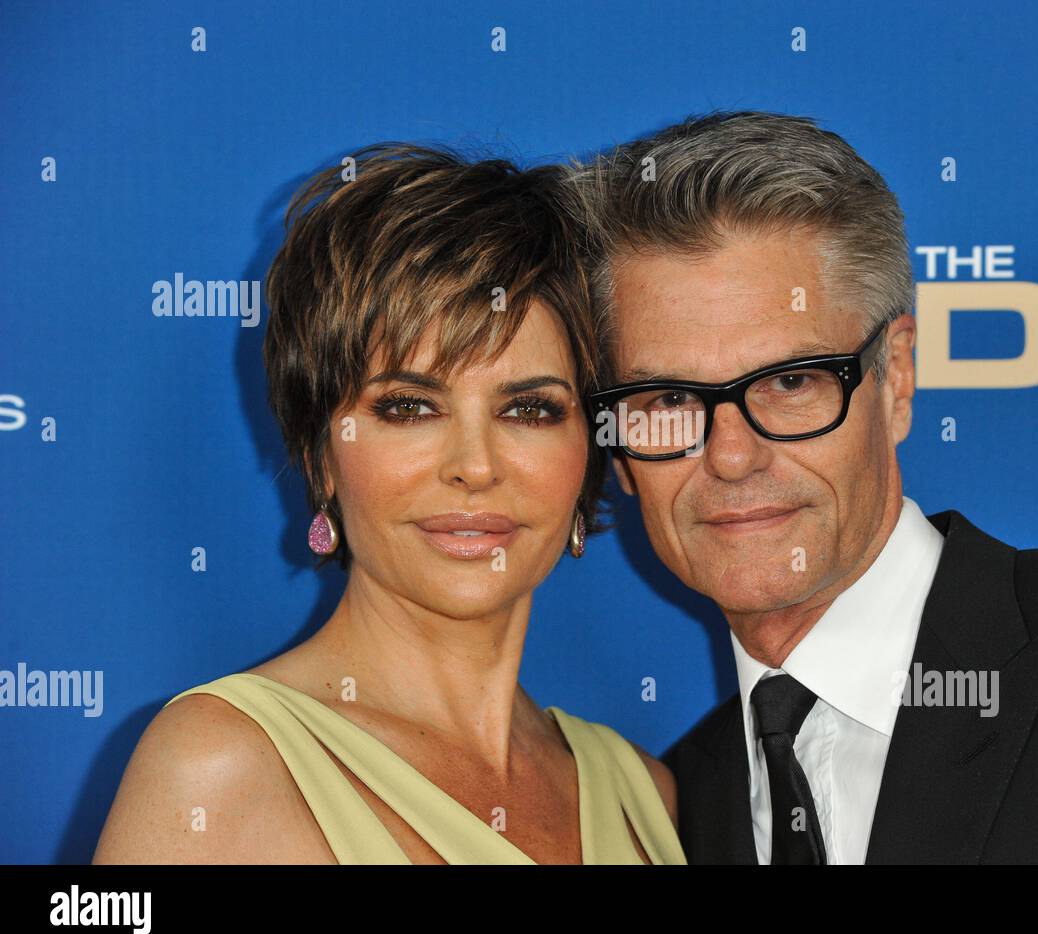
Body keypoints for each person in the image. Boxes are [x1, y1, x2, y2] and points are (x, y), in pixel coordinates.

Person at [564, 110, 1038, 864]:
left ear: (898, 378)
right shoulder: (668, 815)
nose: (730, 455)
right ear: (621, 449)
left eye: (791, 380)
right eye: (669, 401)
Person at [94, 144, 685, 865]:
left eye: (530, 409)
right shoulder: (218, 769)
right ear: (321, 456)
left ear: (590, 452)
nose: (474, 466)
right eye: (408, 407)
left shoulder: (645, 794)